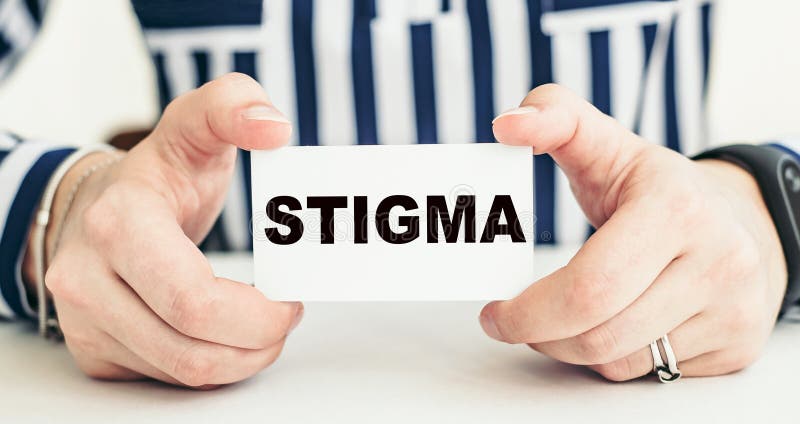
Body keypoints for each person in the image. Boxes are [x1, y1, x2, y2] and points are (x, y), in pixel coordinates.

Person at [0, 0, 796, 387]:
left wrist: (767, 212)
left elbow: (762, 217)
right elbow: (61, 210)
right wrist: (54, 209)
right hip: (211, 381)